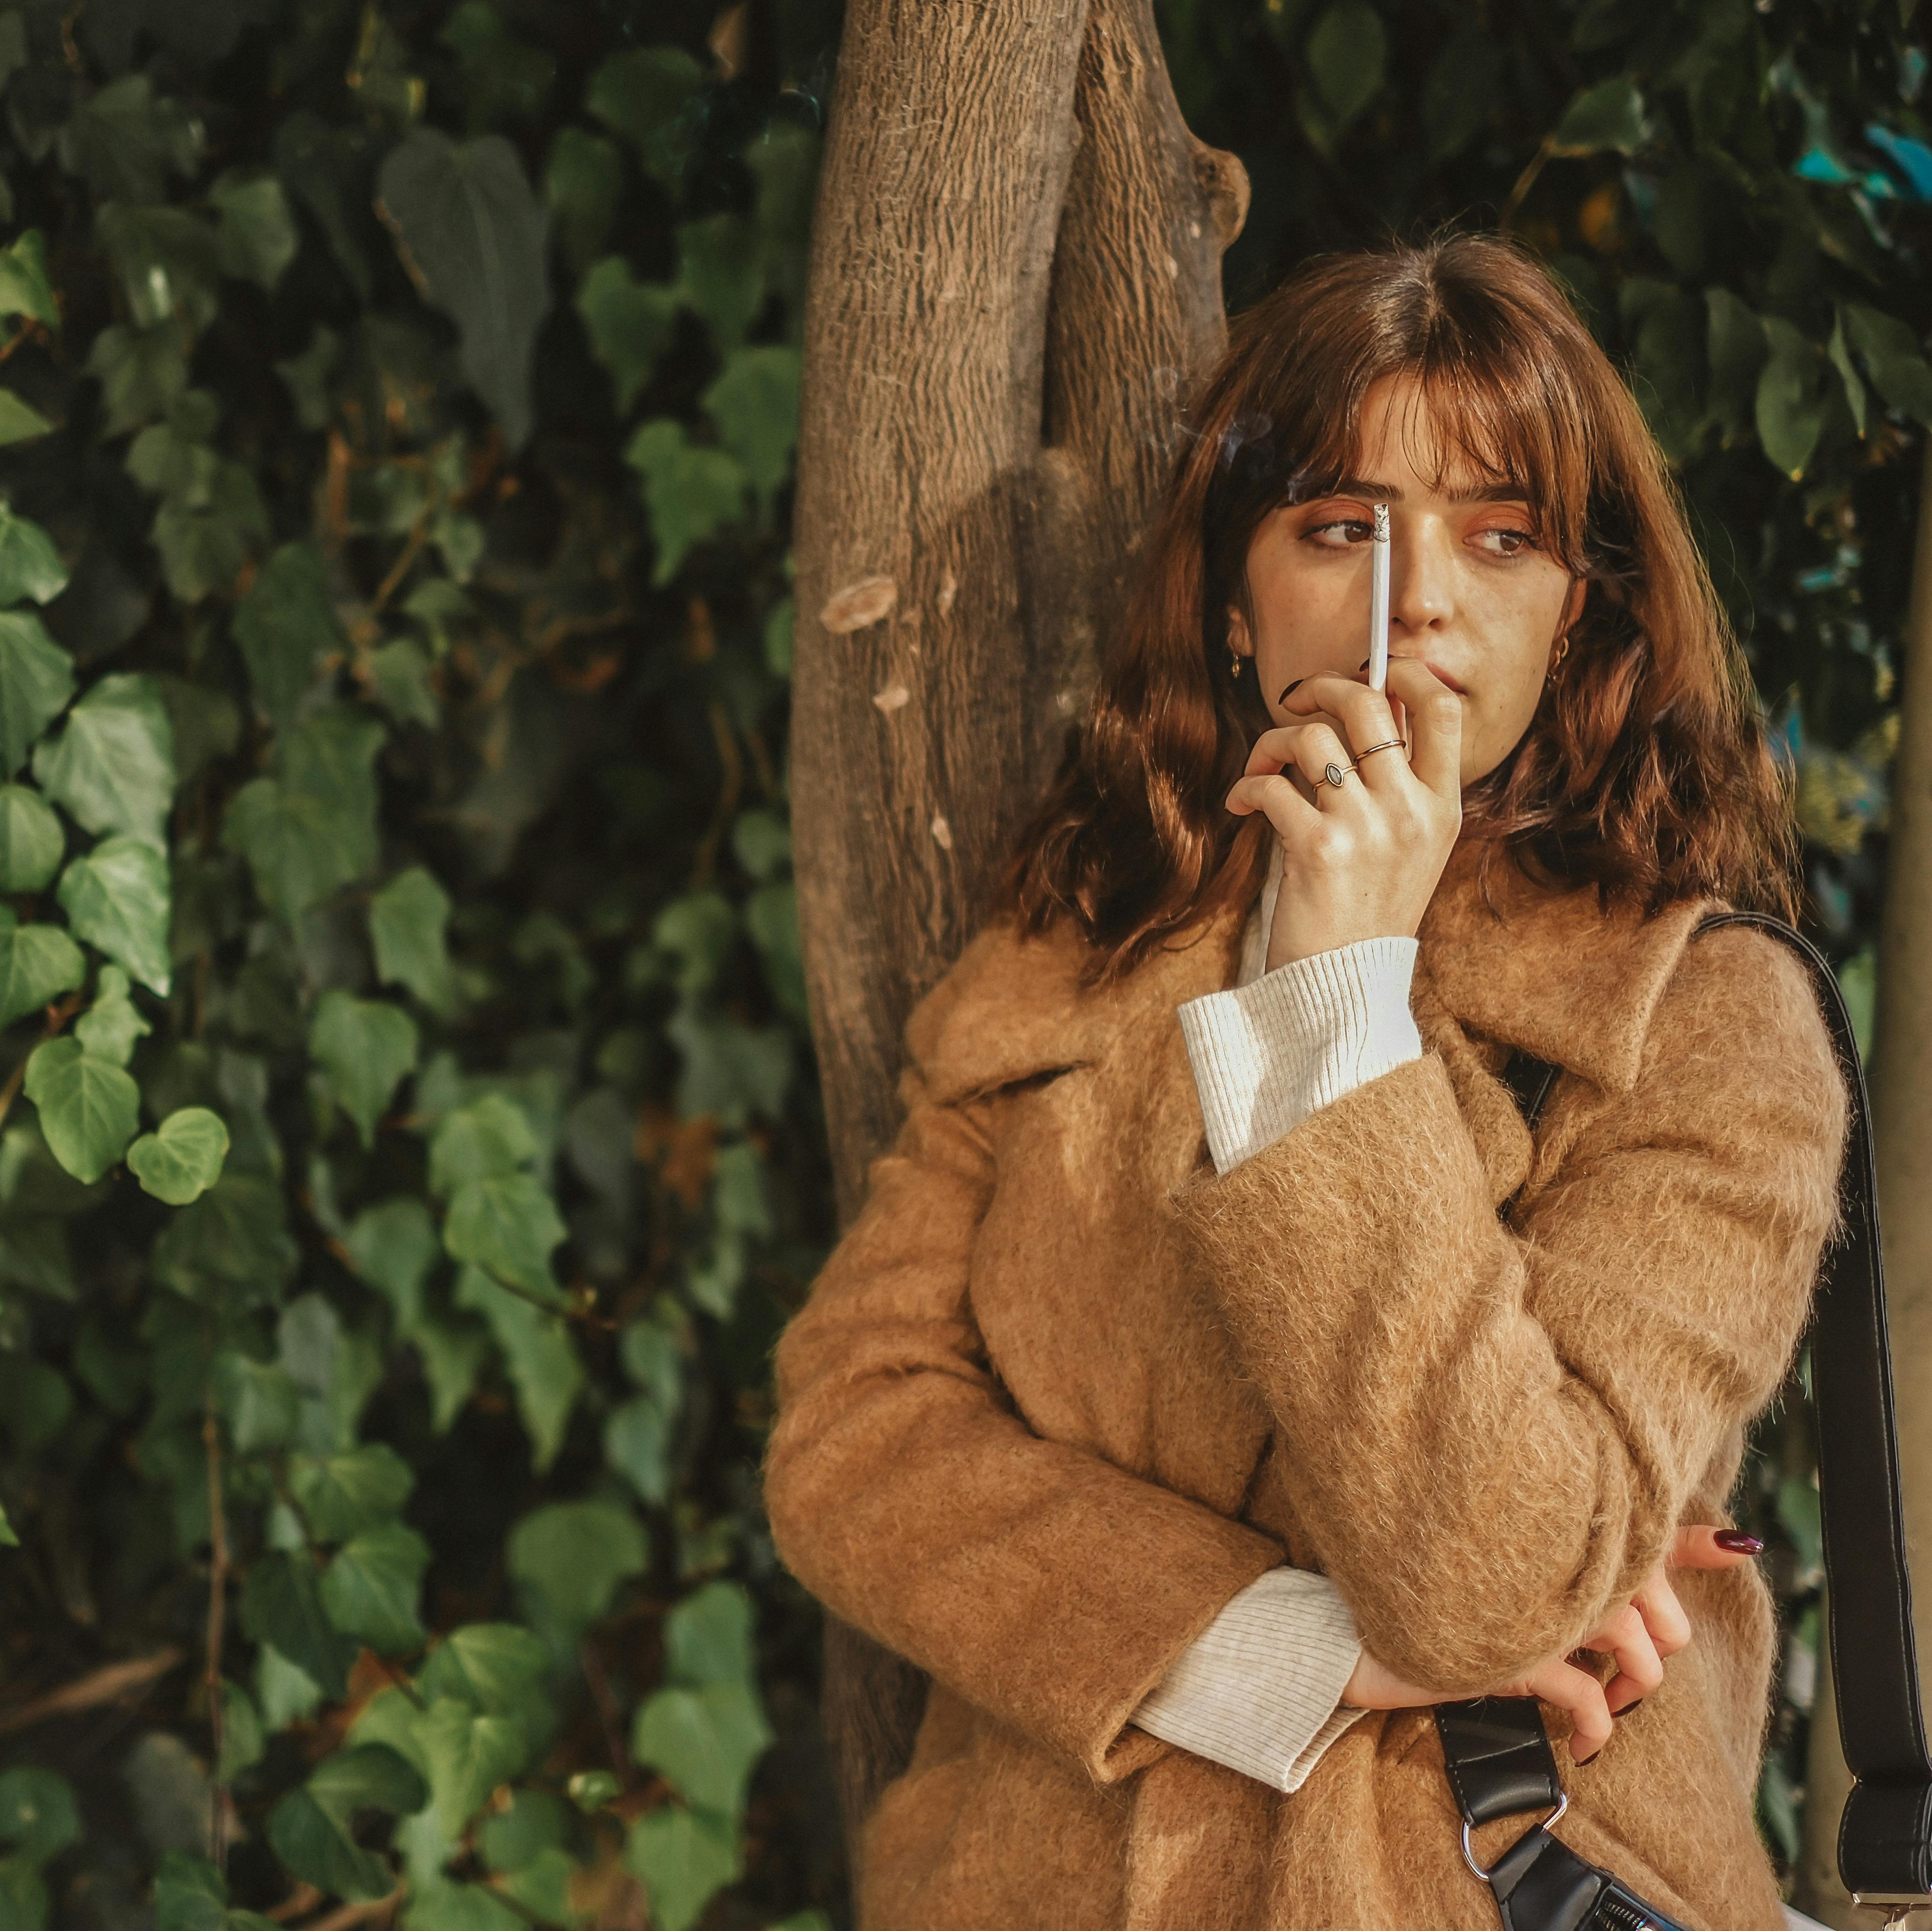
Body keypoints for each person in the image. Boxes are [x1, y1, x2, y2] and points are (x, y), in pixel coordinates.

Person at [763, 234, 1852, 1931]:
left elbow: (1489, 1574)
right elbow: (850, 1436)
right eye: (1340, 526)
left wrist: (1338, 997)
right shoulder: (1070, 954)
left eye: (1502, 536)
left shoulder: (1701, 1016)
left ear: (1581, 614)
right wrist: (1277, 1646)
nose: (1412, 595)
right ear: (1228, 593)